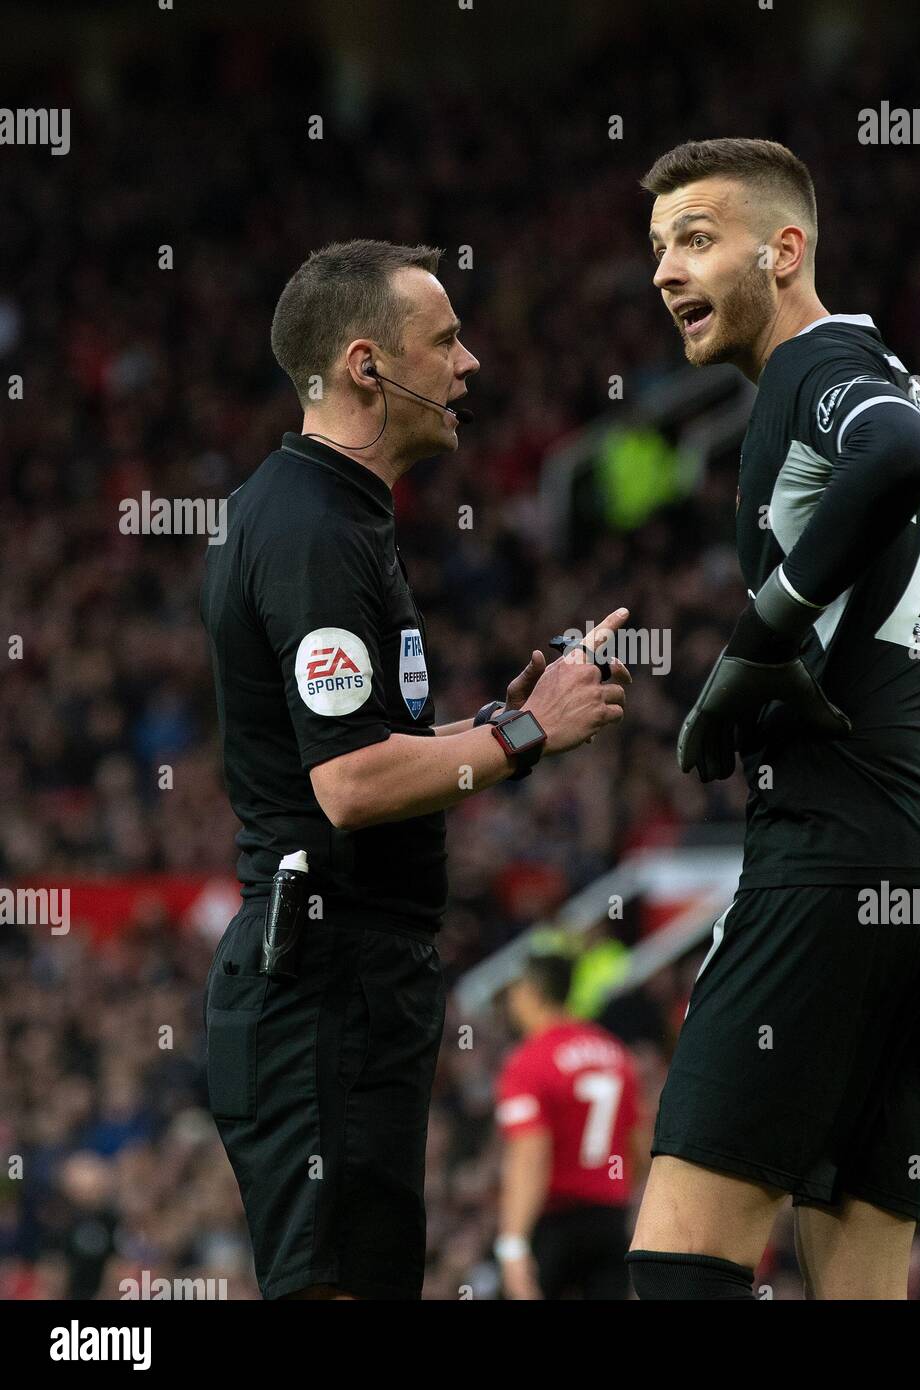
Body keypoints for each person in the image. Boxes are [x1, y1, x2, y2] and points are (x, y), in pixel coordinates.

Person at [628, 140, 920, 1300]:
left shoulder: (815, 371)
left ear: (783, 252)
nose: (664, 272)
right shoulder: (881, 390)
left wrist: (759, 636)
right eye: (655, 250)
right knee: (858, 1278)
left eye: (694, 239)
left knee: (680, 1260)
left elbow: (897, 451)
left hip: (828, 860)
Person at [199, 238, 630, 1300]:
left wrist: (503, 724)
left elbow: (359, 754)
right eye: (444, 340)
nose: (469, 363)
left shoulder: (328, 512)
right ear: (363, 364)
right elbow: (345, 785)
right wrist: (523, 739)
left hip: (347, 980)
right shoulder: (312, 530)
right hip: (322, 980)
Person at [494, 952, 644, 1300]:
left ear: (531, 992)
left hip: (554, 1222)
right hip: (609, 1220)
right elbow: (638, 1144)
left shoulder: (528, 1061)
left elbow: (530, 1153)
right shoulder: (616, 1053)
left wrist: (513, 1245)